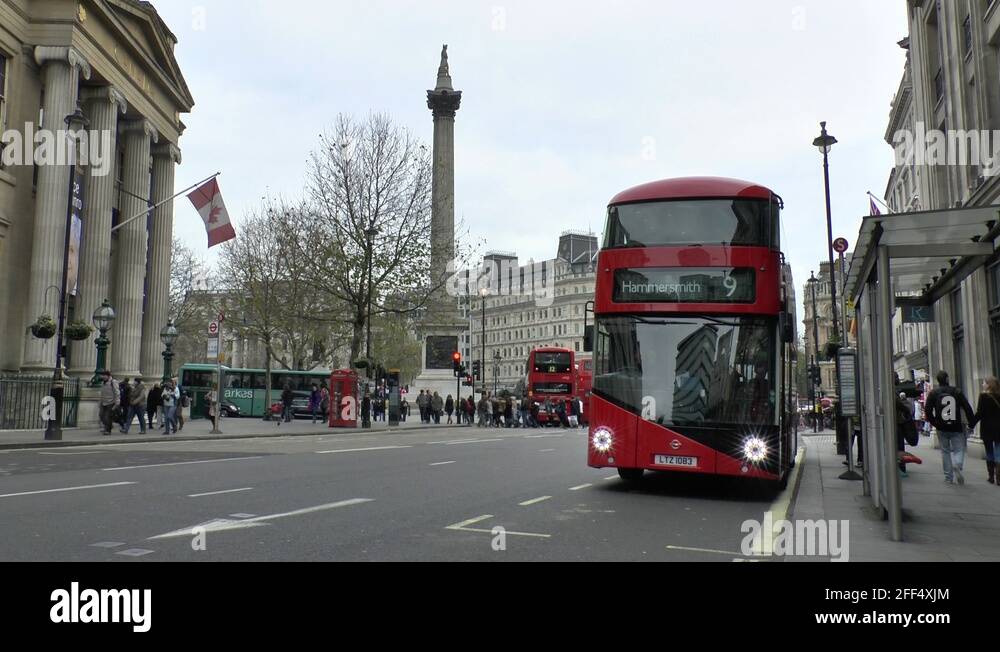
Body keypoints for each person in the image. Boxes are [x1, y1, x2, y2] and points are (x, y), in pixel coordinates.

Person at [925, 370, 976, 485]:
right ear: (947, 379)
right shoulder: (956, 391)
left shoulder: (933, 393)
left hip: (941, 427)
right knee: (959, 448)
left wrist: (935, 423)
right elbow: (967, 407)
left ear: (938, 380)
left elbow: (927, 410)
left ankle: (948, 477)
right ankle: (957, 464)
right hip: (956, 426)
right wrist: (971, 423)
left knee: (945, 451)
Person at [972, 377, 1000, 485]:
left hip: (987, 428)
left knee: (989, 452)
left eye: (984, 383)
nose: (982, 384)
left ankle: (991, 476)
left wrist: (971, 424)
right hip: (998, 428)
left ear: (989, 385)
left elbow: (979, 413)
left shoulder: (983, 397)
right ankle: (999, 477)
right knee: (998, 452)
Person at [98, 370, 119, 436]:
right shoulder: (103, 383)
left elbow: (117, 392)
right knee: (101, 415)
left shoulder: (113, 382)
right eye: (102, 375)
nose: (103, 377)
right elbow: (102, 393)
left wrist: (117, 402)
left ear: (108, 376)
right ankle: (108, 426)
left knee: (107, 417)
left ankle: (108, 430)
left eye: (104, 375)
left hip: (111, 402)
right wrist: (100, 402)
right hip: (103, 402)